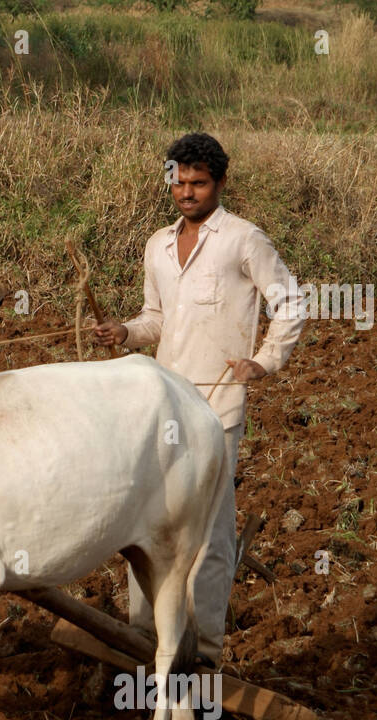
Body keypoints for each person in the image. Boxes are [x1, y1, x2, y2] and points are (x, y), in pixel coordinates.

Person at [92, 132, 306, 665]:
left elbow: (291, 301)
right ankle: (145, 640)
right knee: (148, 528)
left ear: (220, 183)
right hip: (161, 409)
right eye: (180, 183)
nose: (187, 193)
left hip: (216, 408)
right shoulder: (157, 245)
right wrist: (125, 332)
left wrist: (265, 359)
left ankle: (205, 651)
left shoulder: (242, 240)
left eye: (199, 183)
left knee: (209, 535)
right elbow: (156, 319)